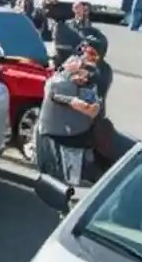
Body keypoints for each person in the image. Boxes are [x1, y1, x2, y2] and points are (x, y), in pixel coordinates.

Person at [36, 56, 100, 186]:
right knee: (54, 181)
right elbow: (62, 99)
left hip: (77, 137)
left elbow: (94, 107)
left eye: (87, 76)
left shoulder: (88, 87)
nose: (84, 79)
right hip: (53, 137)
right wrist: (82, 105)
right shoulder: (57, 84)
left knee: (72, 180)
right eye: (81, 74)